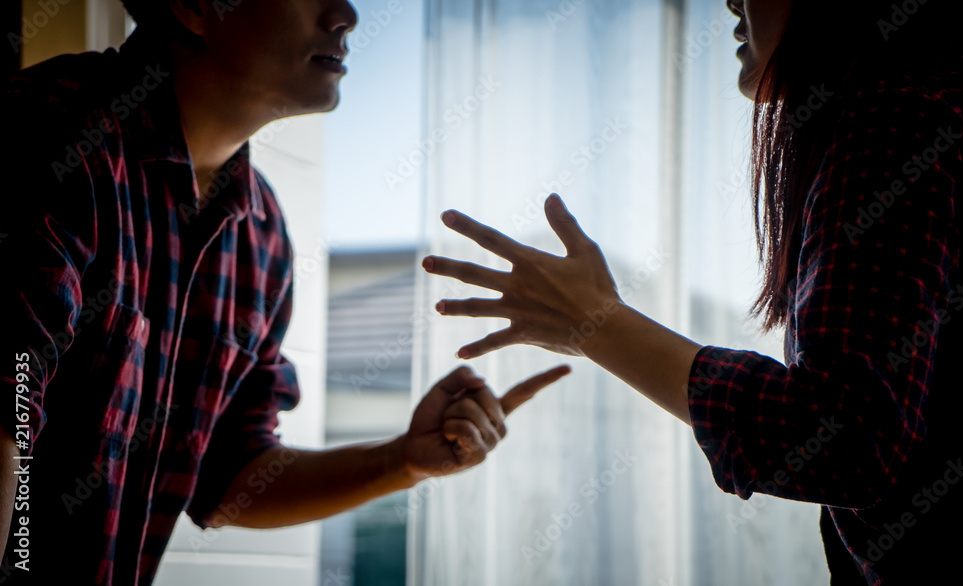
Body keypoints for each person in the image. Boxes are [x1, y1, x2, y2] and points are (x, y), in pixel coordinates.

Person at [424, 0, 963, 583]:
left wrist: (599, 324)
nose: (729, 1)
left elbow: (847, 440)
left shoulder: (901, 118)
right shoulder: (944, 101)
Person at [0, 1, 570, 583]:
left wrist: (403, 460)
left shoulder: (259, 228)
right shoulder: (44, 133)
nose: (346, 14)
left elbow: (230, 474)